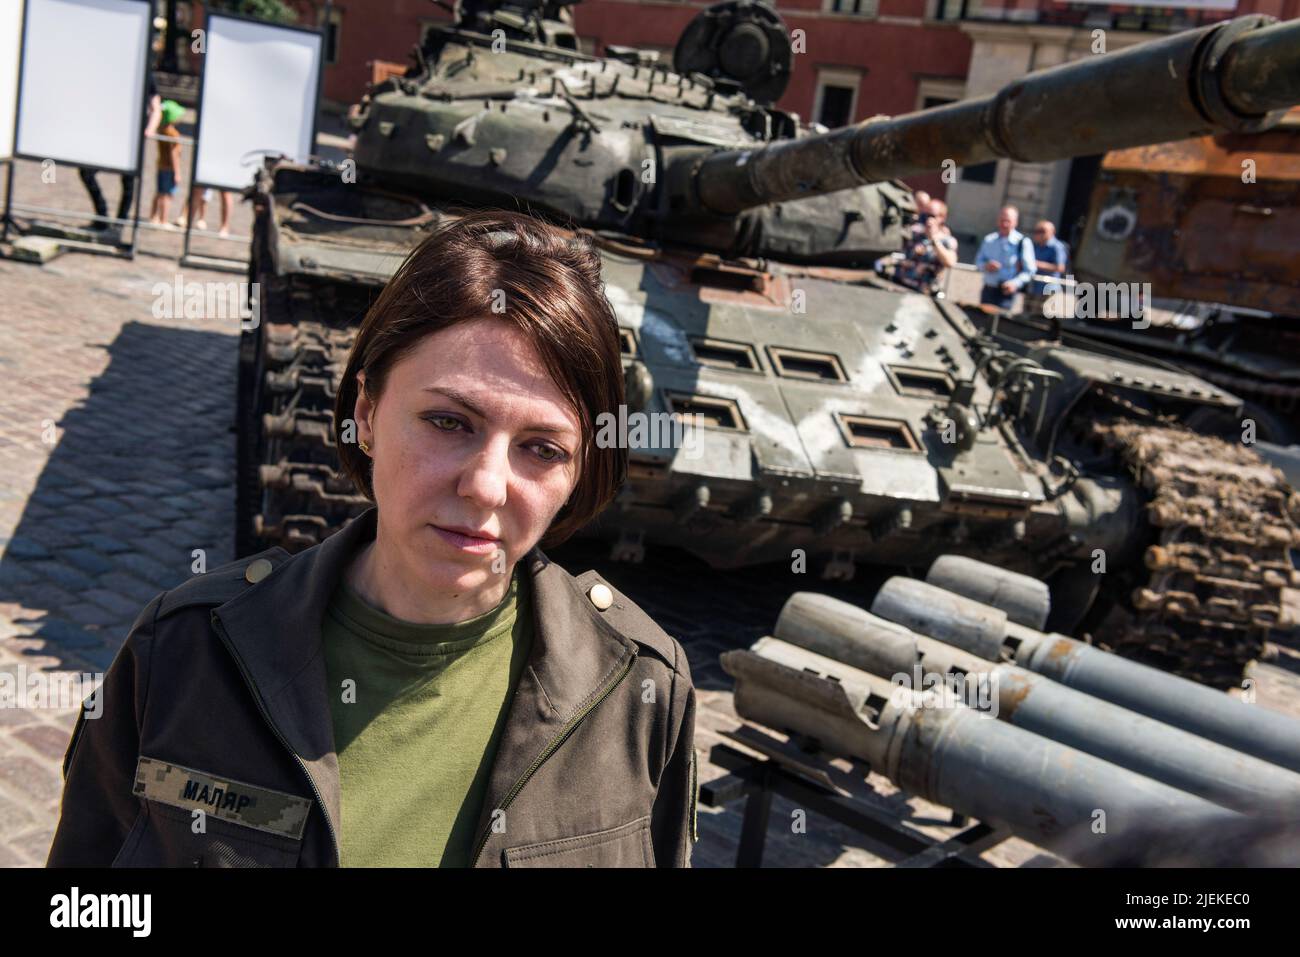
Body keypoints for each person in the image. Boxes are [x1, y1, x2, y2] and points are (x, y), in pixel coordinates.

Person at [46, 209, 698, 868]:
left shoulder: (639, 692)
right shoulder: (187, 654)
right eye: (448, 421)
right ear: (367, 411)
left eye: (542, 447)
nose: (486, 485)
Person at [80, 75, 160, 235]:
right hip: (109, 134)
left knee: (128, 181)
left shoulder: (146, 73)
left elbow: (156, 108)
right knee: (86, 172)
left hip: (132, 137)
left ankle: (120, 223)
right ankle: (102, 215)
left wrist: (149, 130)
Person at [974, 205, 1035, 311]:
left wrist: (1015, 283)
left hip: (1006, 292)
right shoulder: (989, 240)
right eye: (1002, 220)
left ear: (1015, 222)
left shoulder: (1023, 242)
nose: (1004, 224)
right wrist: (986, 266)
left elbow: (1030, 270)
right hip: (989, 289)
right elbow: (978, 262)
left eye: (1008, 221)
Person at [893, 196, 958, 293]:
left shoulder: (947, 240)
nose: (928, 219)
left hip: (925, 293)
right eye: (925, 215)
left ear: (942, 218)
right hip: (901, 285)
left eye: (932, 215)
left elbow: (950, 262)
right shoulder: (914, 233)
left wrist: (934, 239)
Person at [148, 100, 185, 225]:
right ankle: (163, 220)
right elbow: (174, 154)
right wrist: (177, 172)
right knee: (167, 195)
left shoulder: (161, 130)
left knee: (159, 193)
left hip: (161, 165)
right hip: (169, 168)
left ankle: (153, 216)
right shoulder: (173, 134)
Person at [1024, 220, 1070, 315]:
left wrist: (1037, 264)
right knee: (1028, 315)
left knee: (1043, 318)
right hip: (1034, 287)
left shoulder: (1057, 247)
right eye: (1037, 231)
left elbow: (1060, 267)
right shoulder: (1035, 246)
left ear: (1052, 232)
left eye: (1042, 231)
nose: (1039, 234)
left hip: (1048, 289)